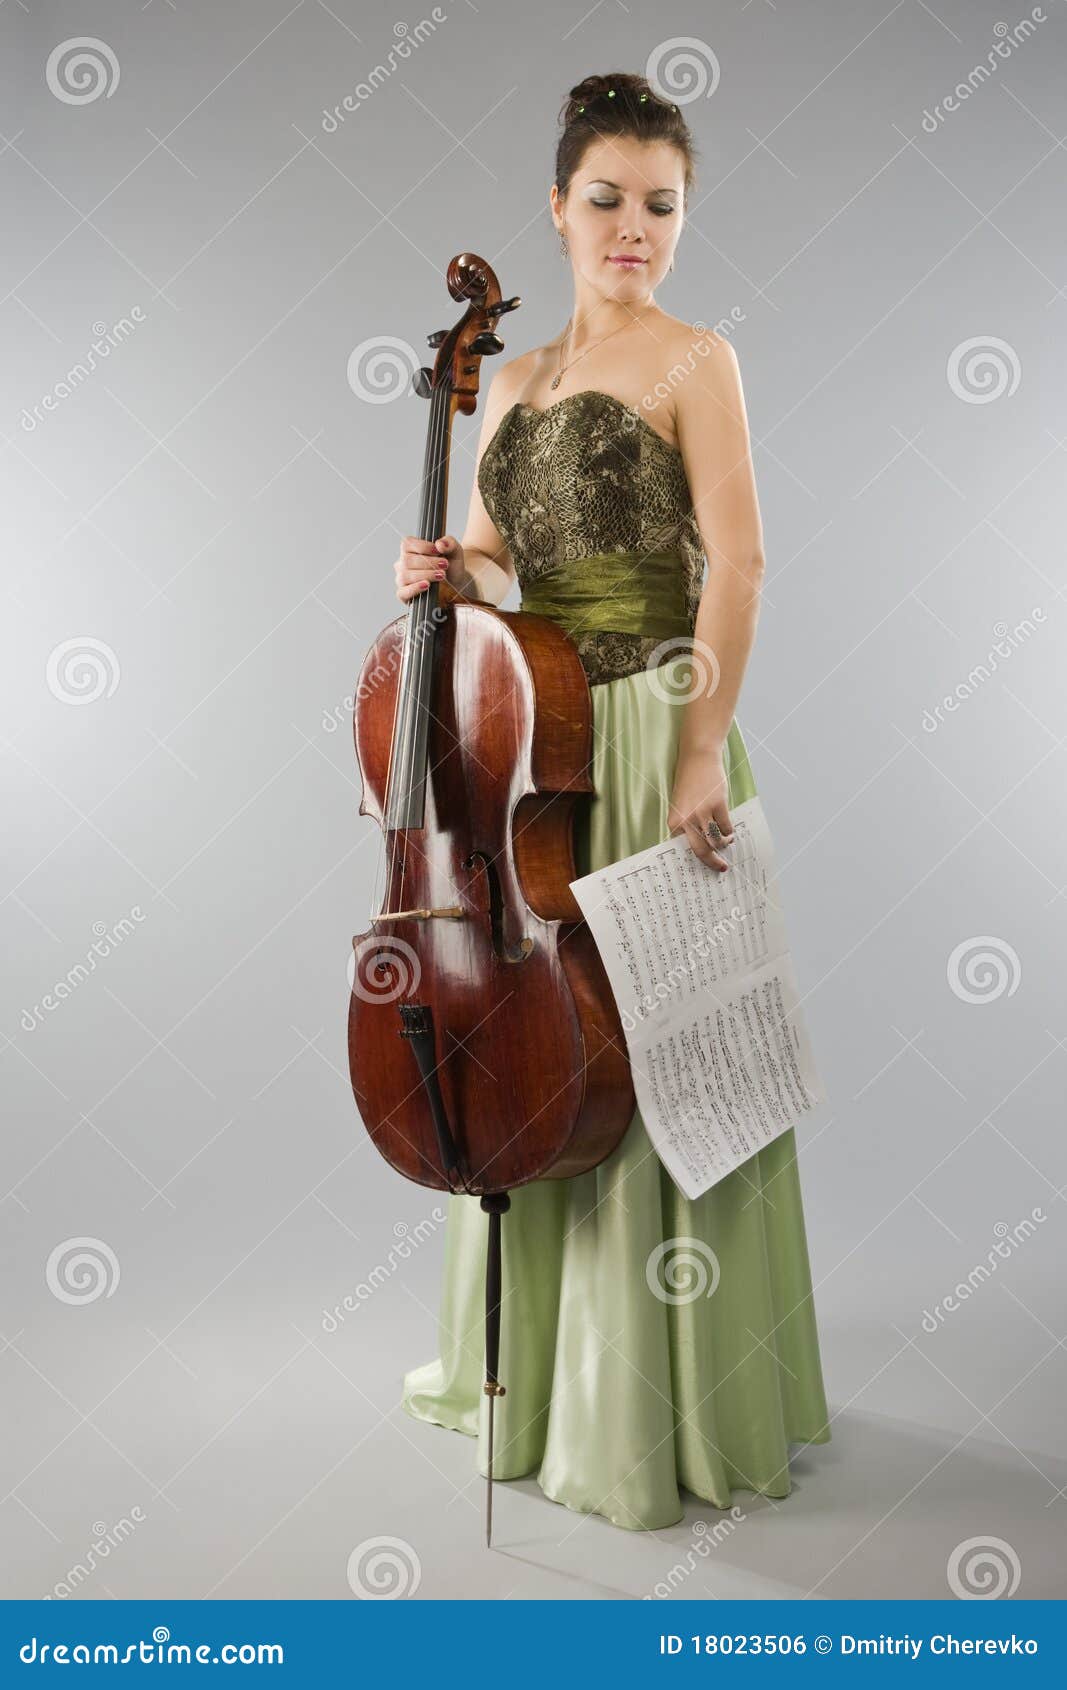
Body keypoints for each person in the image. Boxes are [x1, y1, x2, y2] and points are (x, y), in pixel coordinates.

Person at [393, 71, 831, 1532]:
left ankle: (668, 1413)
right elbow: (500, 561)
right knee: (542, 1035)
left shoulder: (698, 358)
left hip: (654, 726)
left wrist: (707, 746)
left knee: (665, 1053)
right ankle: (541, 1379)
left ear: (681, 216)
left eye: (662, 203)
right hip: (541, 745)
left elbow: (744, 564)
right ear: (559, 208)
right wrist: (450, 576)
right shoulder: (507, 381)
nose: (633, 227)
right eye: (608, 199)